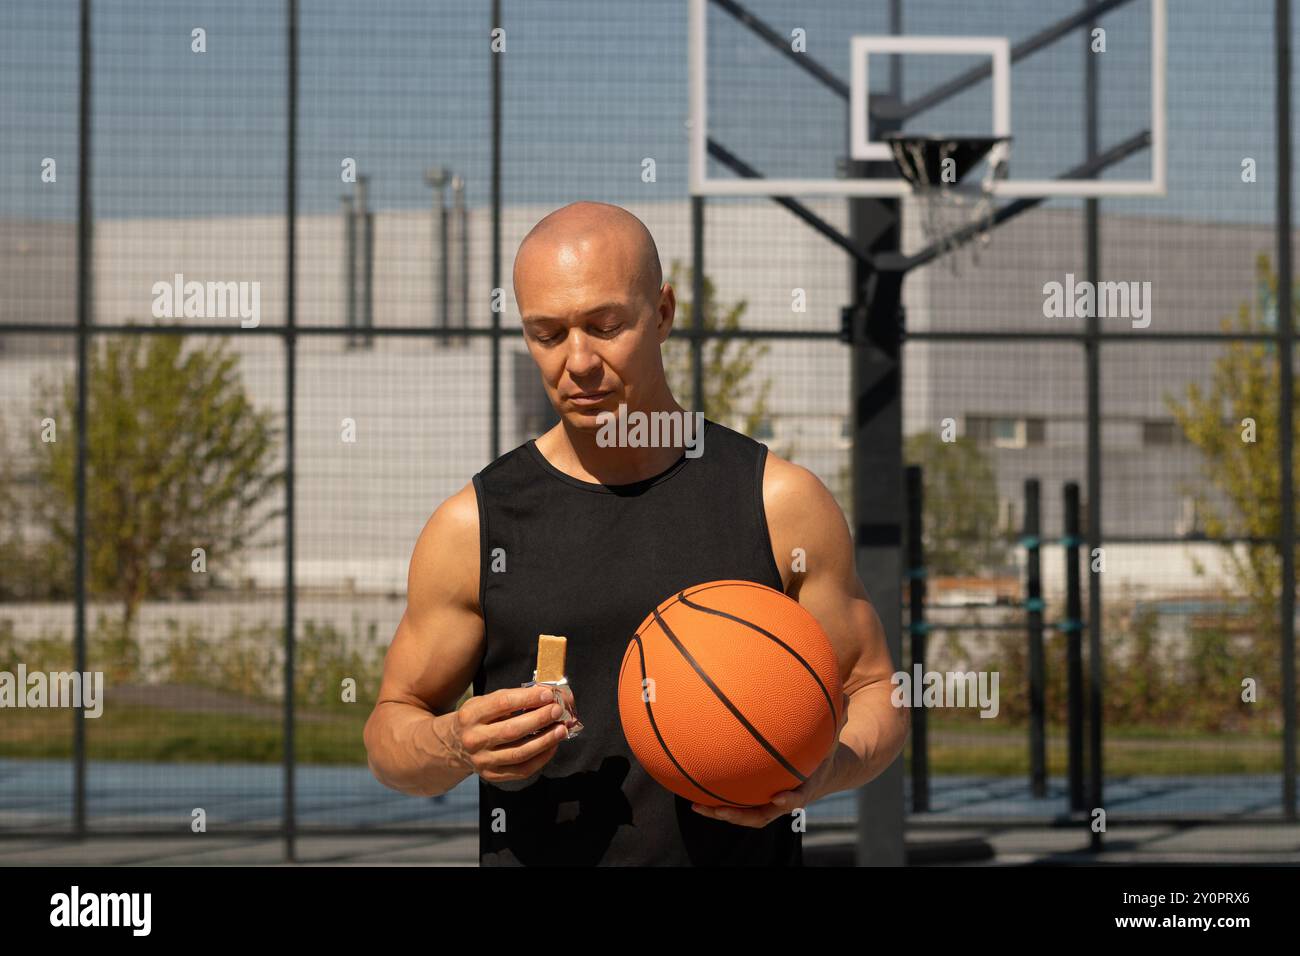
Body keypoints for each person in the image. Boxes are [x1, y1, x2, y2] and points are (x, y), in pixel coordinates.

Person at [363, 201, 908, 865]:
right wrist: (454, 743)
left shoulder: (777, 502)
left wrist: (823, 771)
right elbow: (391, 731)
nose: (578, 361)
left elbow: (874, 690)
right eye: (547, 334)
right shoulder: (475, 524)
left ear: (664, 313)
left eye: (605, 326)